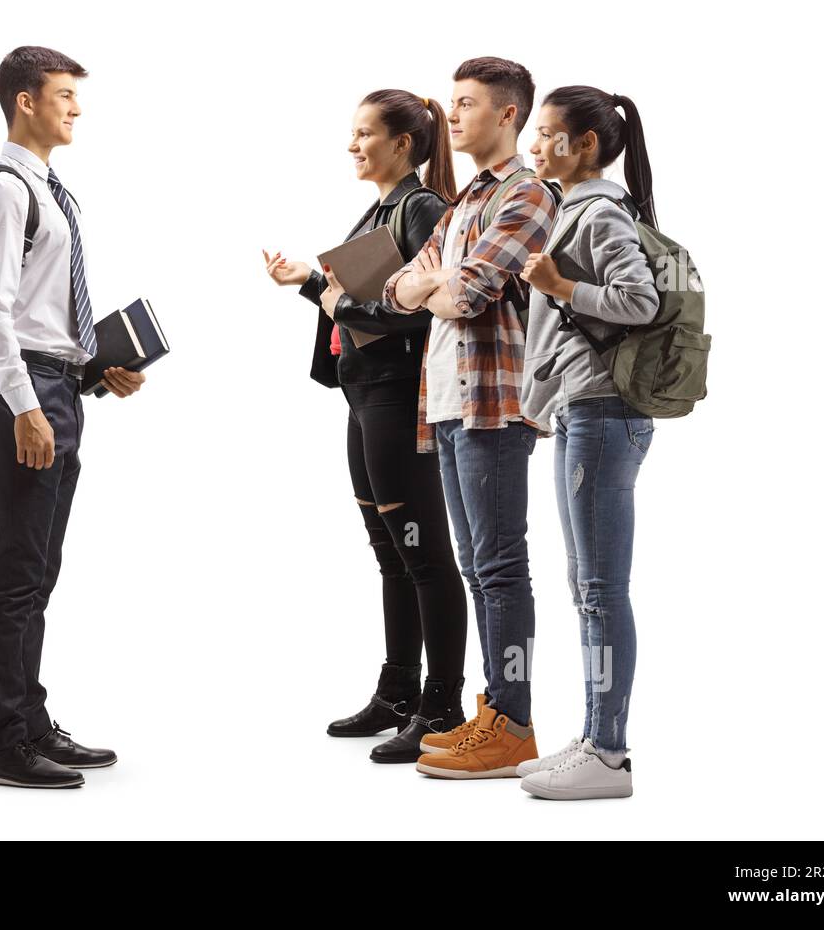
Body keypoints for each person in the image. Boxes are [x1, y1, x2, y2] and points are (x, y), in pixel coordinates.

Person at [262, 89, 471, 763]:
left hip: (399, 397)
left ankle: (441, 705)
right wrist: (308, 284)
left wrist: (332, 294)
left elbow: (431, 310)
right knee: (391, 550)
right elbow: (354, 304)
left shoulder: (424, 209)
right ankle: (399, 692)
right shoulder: (382, 210)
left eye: (363, 134)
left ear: (403, 144)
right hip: (364, 394)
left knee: (423, 553)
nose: (352, 144)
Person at [0, 46, 146, 789]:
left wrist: (94, 366)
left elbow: (39, 311)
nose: (76, 107)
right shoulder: (5, 191)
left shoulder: (52, 190)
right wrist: (26, 406)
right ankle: (1, 745)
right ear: (24, 102)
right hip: (25, 398)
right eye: (64, 94)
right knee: (13, 573)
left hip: (59, 389)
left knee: (38, 570)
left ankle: (29, 721)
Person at [381, 57, 559, 781]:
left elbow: (475, 289)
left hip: (493, 405)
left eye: (466, 104)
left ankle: (513, 723)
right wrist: (430, 285)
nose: (451, 118)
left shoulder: (529, 194)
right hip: (447, 405)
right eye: (452, 104)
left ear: (509, 114)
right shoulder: (457, 208)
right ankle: (493, 713)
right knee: (475, 567)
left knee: (500, 564)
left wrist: (435, 285)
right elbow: (399, 288)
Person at [515, 86, 660, 800]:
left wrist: (562, 285)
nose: (536, 146)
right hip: (582, 411)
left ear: (589, 146)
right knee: (587, 587)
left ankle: (609, 753)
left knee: (601, 589)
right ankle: (595, 737)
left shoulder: (599, 211)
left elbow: (641, 302)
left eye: (548, 135)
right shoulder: (570, 208)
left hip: (604, 414)